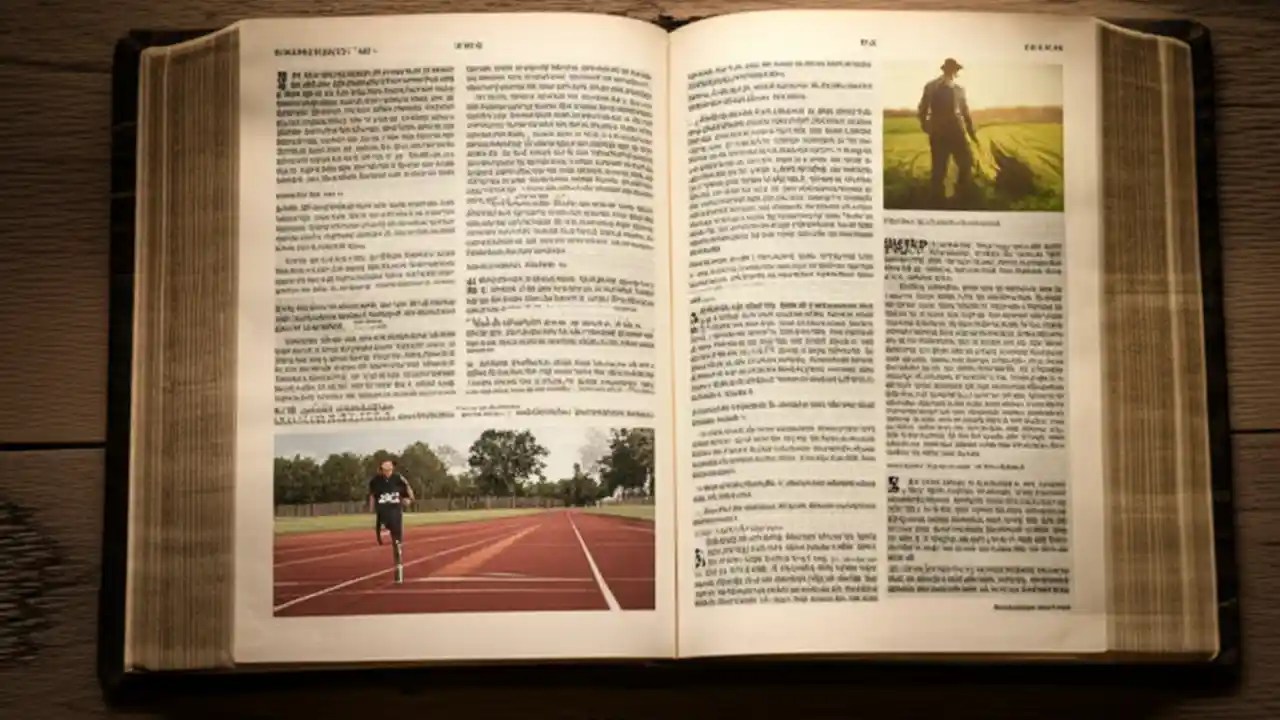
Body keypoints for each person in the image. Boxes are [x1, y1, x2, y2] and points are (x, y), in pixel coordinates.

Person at [917, 58, 979, 207]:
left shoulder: (959, 89)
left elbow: (965, 112)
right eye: (953, 69)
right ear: (946, 69)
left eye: (956, 70)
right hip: (939, 134)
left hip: (957, 131)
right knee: (939, 168)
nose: (955, 72)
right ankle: (937, 200)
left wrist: (971, 132)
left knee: (966, 163)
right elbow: (922, 108)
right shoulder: (932, 87)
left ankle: (961, 195)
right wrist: (926, 126)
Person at [368, 459, 414, 583]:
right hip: (382, 514)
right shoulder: (375, 481)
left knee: (397, 543)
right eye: (385, 470)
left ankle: (398, 567)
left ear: (392, 469)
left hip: (395, 514)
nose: (387, 472)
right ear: (381, 470)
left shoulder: (398, 479)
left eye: (389, 470)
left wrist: (409, 499)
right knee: (384, 540)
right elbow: (372, 495)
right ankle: (385, 531)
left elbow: (408, 491)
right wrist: (371, 509)